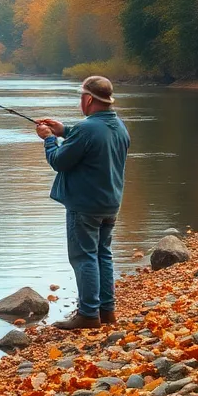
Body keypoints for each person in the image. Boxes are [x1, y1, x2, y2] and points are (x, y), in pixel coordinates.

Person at [35, 75, 130, 331]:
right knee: (102, 255)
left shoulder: (88, 129)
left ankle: (88, 315)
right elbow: (91, 142)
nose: (81, 101)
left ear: (88, 99)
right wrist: (64, 130)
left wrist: (48, 139)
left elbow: (59, 161)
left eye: (81, 96)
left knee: (83, 257)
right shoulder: (119, 126)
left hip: (85, 205)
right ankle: (106, 311)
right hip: (110, 203)